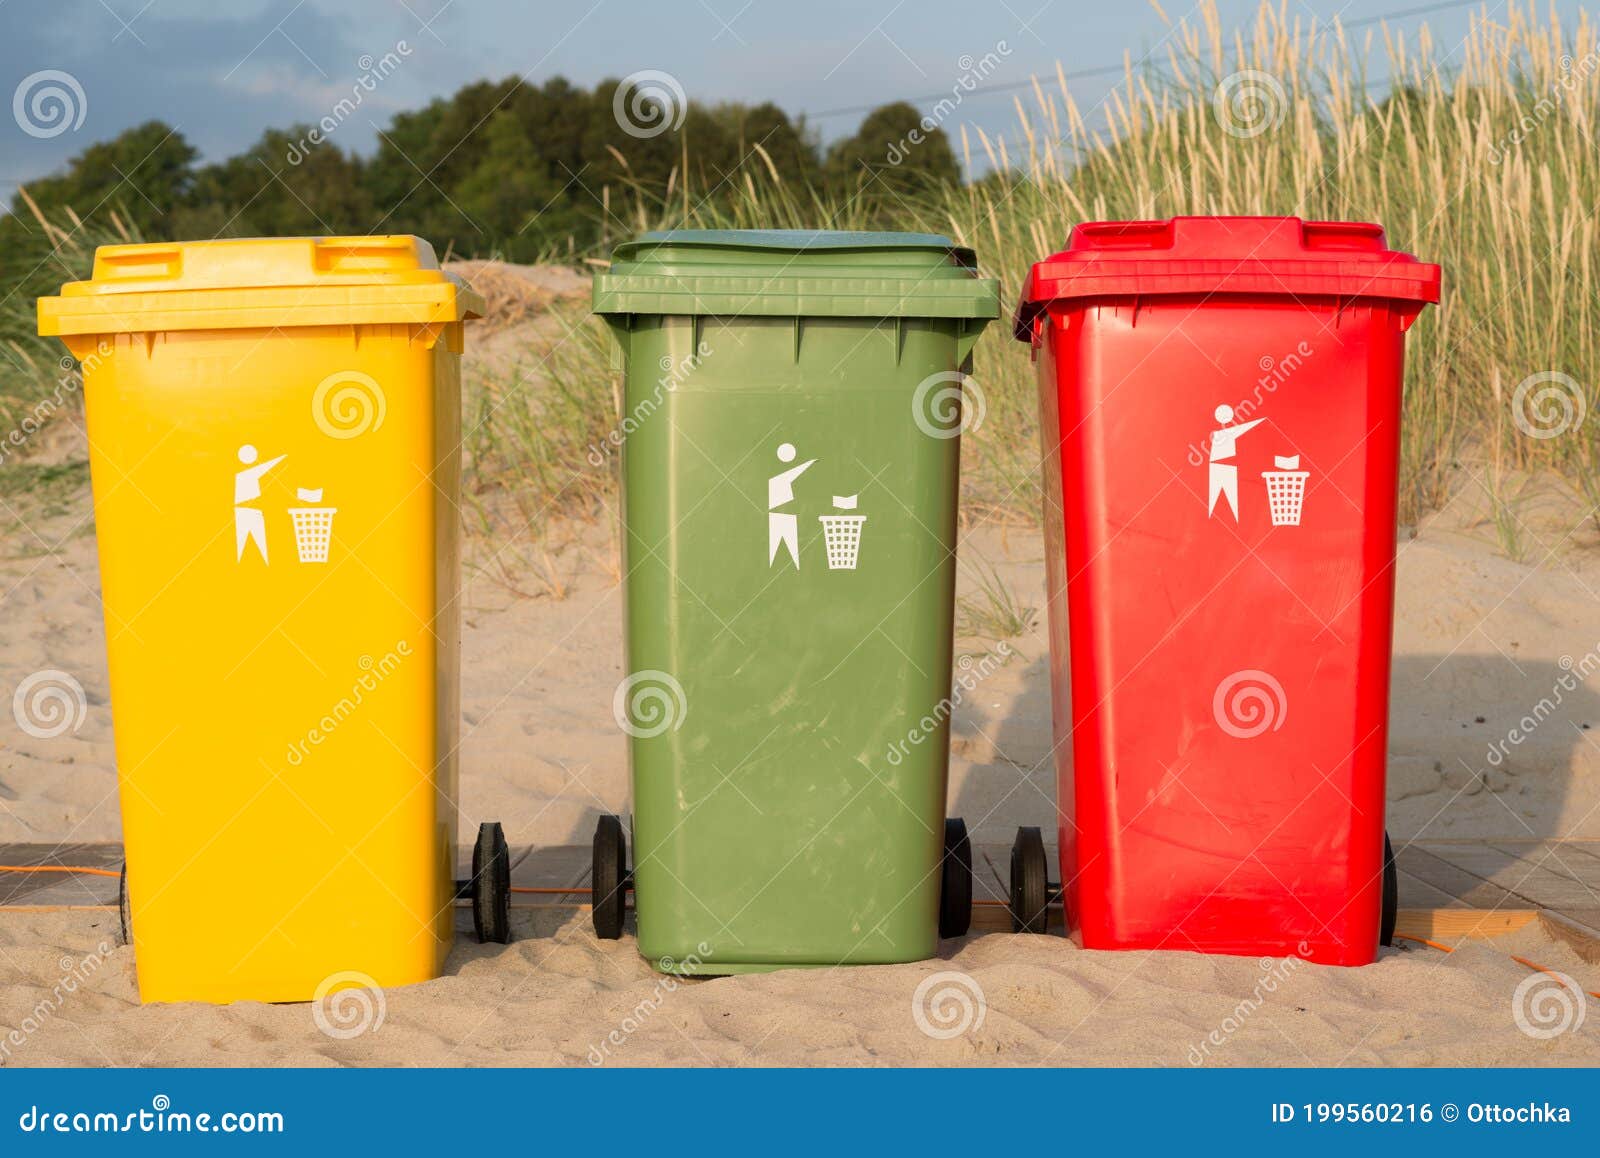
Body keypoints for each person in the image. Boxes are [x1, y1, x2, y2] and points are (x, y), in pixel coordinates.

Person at [1207, 405, 1264, 521]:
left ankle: (1223, 520)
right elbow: (1239, 430)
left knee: (1228, 502)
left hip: (1226, 466)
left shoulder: (1222, 434)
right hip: (1220, 466)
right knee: (1217, 500)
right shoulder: (1222, 434)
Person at [235, 444, 286, 562]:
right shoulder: (244, 476)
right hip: (244, 512)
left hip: (252, 511)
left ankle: (264, 562)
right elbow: (262, 469)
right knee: (245, 545)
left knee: (260, 545)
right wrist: (281, 458)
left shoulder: (243, 476)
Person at [767, 442, 815, 568]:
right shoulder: (778, 480)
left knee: (792, 551)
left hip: (784, 516)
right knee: (777, 550)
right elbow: (793, 473)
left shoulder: (776, 481)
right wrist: (808, 463)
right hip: (778, 517)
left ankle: (792, 567)